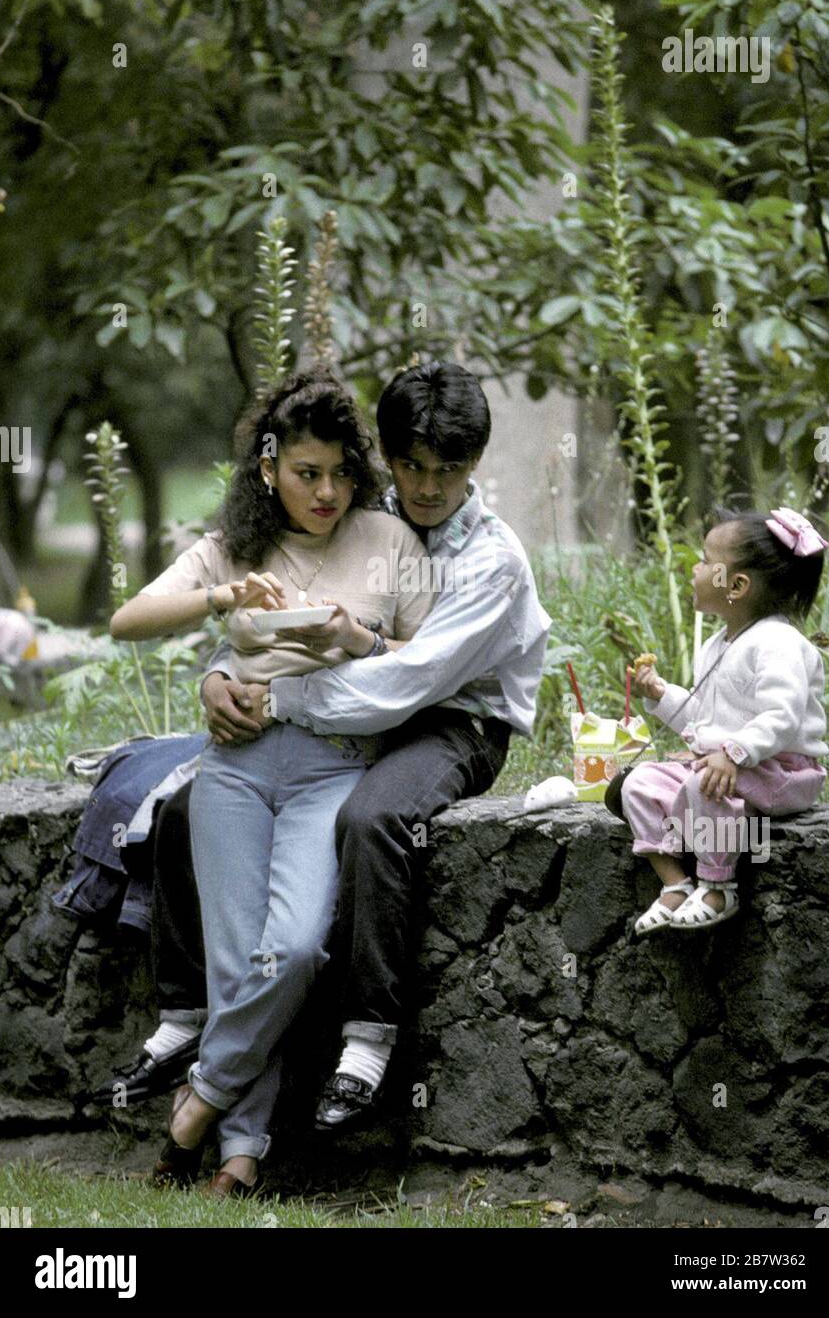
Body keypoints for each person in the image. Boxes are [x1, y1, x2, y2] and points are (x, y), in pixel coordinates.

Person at [110, 366, 437, 1197]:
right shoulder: (236, 544)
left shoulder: (389, 542)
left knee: (289, 949)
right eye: (306, 474)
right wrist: (221, 603)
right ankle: (240, 1154)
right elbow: (127, 622)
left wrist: (358, 640)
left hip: (335, 765)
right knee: (234, 960)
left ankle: (200, 1098)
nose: (326, 492)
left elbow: (435, 667)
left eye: (339, 472)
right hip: (238, 768)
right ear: (268, 469)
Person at [201, 361, 551, 1134]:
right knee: (178, 801)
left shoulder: (492, 560)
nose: (427, 487)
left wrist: (284, 700)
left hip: (452, 720)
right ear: (385, 458)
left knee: (372, 818)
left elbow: (410, 683)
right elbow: (271, 604)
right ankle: (178, 1016)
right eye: (410, 466)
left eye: (448, 470)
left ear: (476, 464)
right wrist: (222, 676)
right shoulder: (361, 517)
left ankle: (367, 1039)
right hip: (326, 707)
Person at [624, 506, 829, 936]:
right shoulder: (720, 644)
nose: (693, 569)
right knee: (638, 783)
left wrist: (732, 753)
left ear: (735, 585)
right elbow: (707, 717)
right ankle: (676, 884)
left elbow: (782, 717)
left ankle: (718, 886)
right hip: (735, 765)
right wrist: (662, 696)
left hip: (783, 771)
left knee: (705, 784)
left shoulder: (778, 643)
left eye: (703, 560)